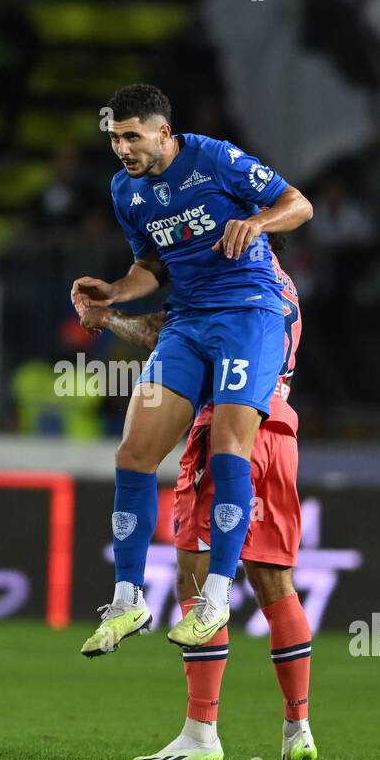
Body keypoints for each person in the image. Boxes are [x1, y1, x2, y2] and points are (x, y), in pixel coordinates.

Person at [72, 83, 312, 658]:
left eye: (132, 136)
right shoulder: (125, 191)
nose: (123, 148)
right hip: (188, 320)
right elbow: (151, 265)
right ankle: (129, 598)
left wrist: (258, 224)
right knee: (134, 453)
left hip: (249, 313)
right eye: (114, 138)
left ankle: (216, 598)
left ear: (163, 132)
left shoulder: (214, 157)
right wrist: (114, 293)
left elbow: (298, 205)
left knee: (230, 448)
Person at [77, 253, 315, 760]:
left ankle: (201, 732)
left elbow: (175, 333)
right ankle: (298, 728)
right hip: (279, 427)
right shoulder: (279, 283)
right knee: (276, 585)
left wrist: (110, 319)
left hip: (226, 426)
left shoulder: (222, 269)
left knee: (193, 578)